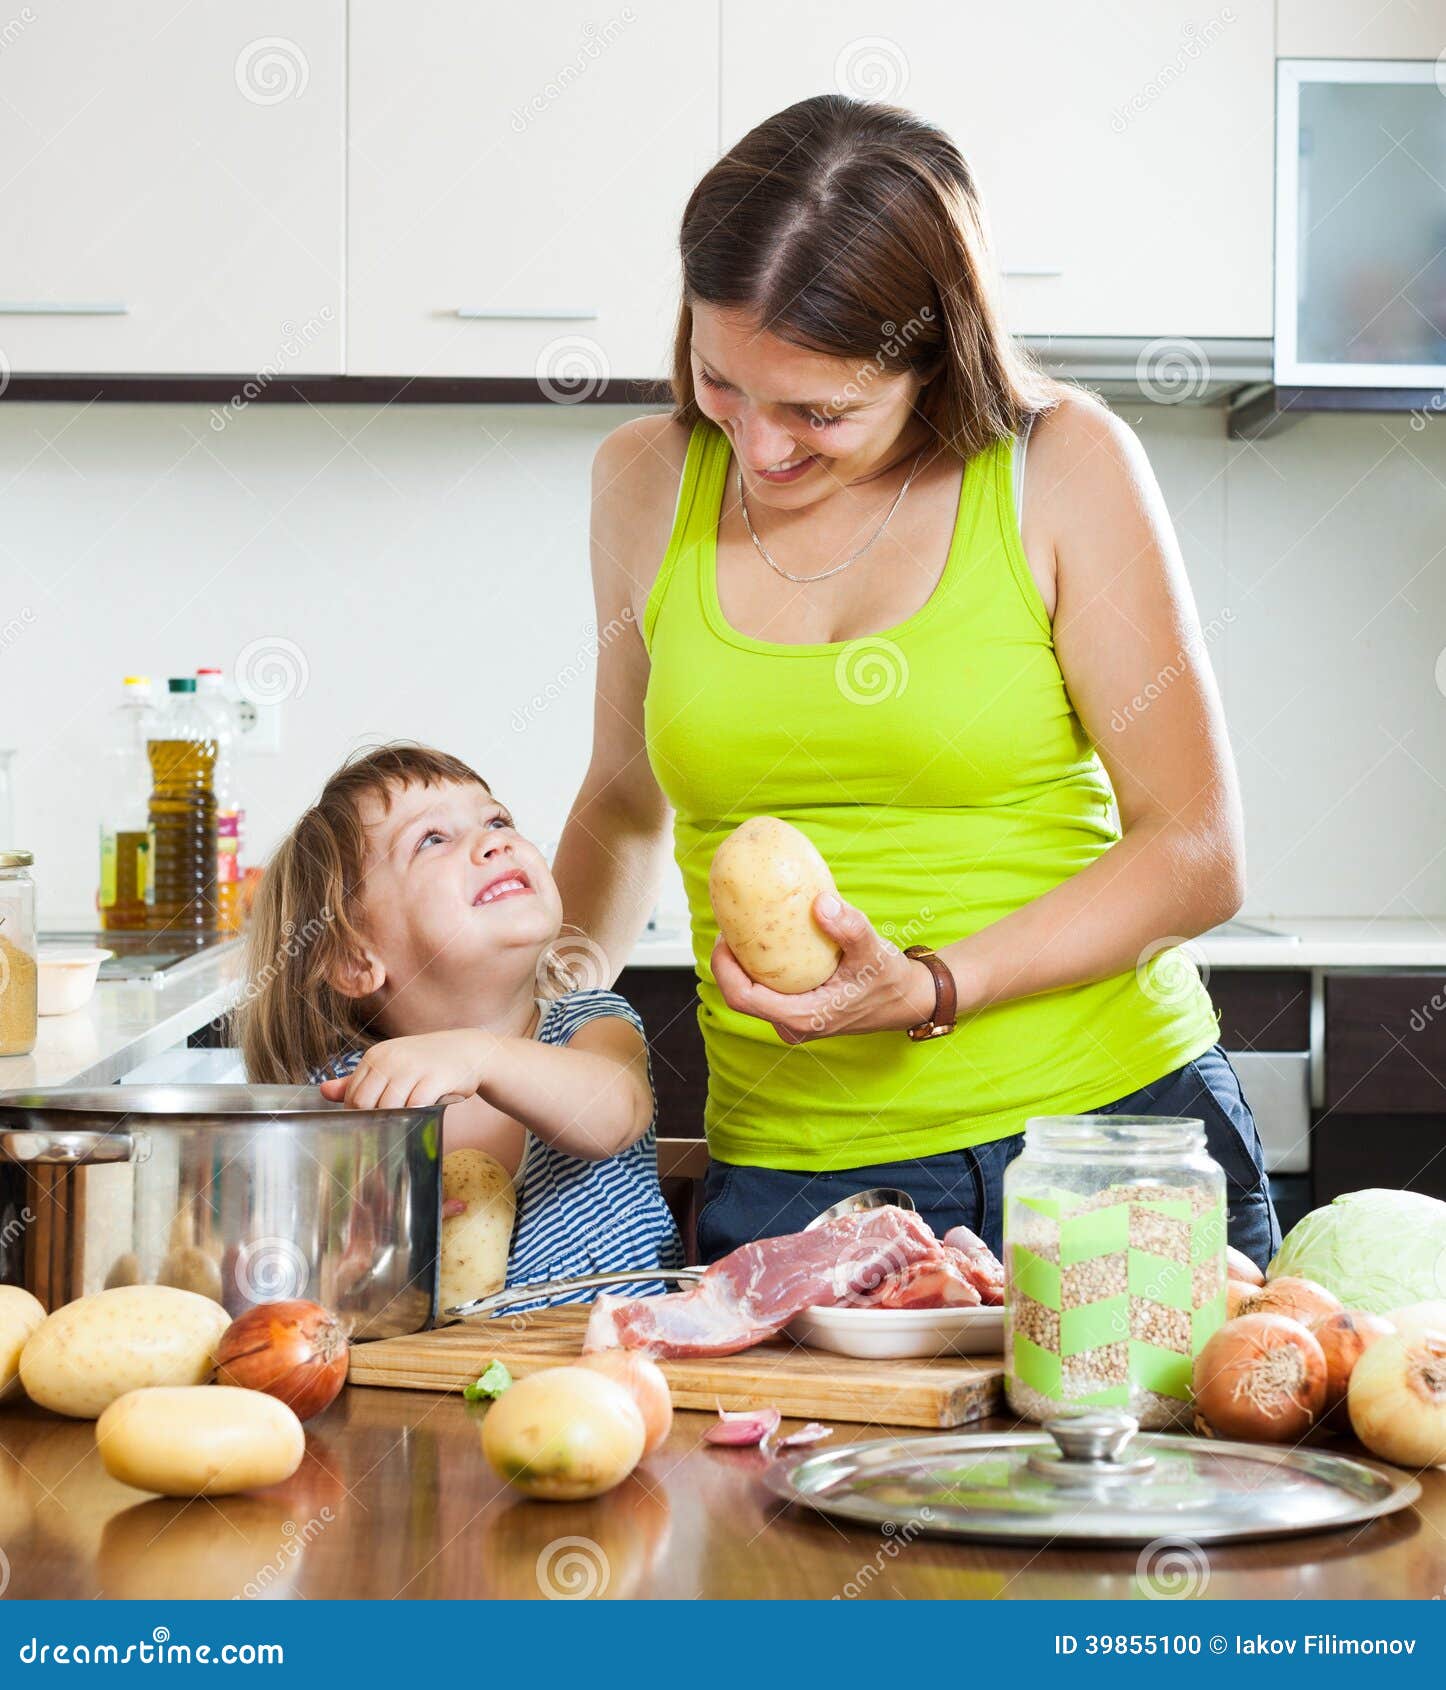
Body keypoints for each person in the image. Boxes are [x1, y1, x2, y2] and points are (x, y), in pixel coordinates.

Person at [550, 95, 1279, 1267]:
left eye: (819, 410)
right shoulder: (642, 480)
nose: (760, 445)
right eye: (723, 382)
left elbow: (1197, 847)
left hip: (1098, 1137)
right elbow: (620, 804)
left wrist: (936, 985)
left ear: (936, 355)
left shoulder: (1062, 466)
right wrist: (539, 1027)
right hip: (798, 1179)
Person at [237, 742, 683, 1302]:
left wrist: (481, 1055)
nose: (495, 840)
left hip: (610, 1376)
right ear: (355, 958)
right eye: (433, 840)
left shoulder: (587, 1023)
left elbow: (614, 1114)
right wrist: (348, 1258)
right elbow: (290, 1283)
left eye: (497, 819)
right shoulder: (350, 1096)